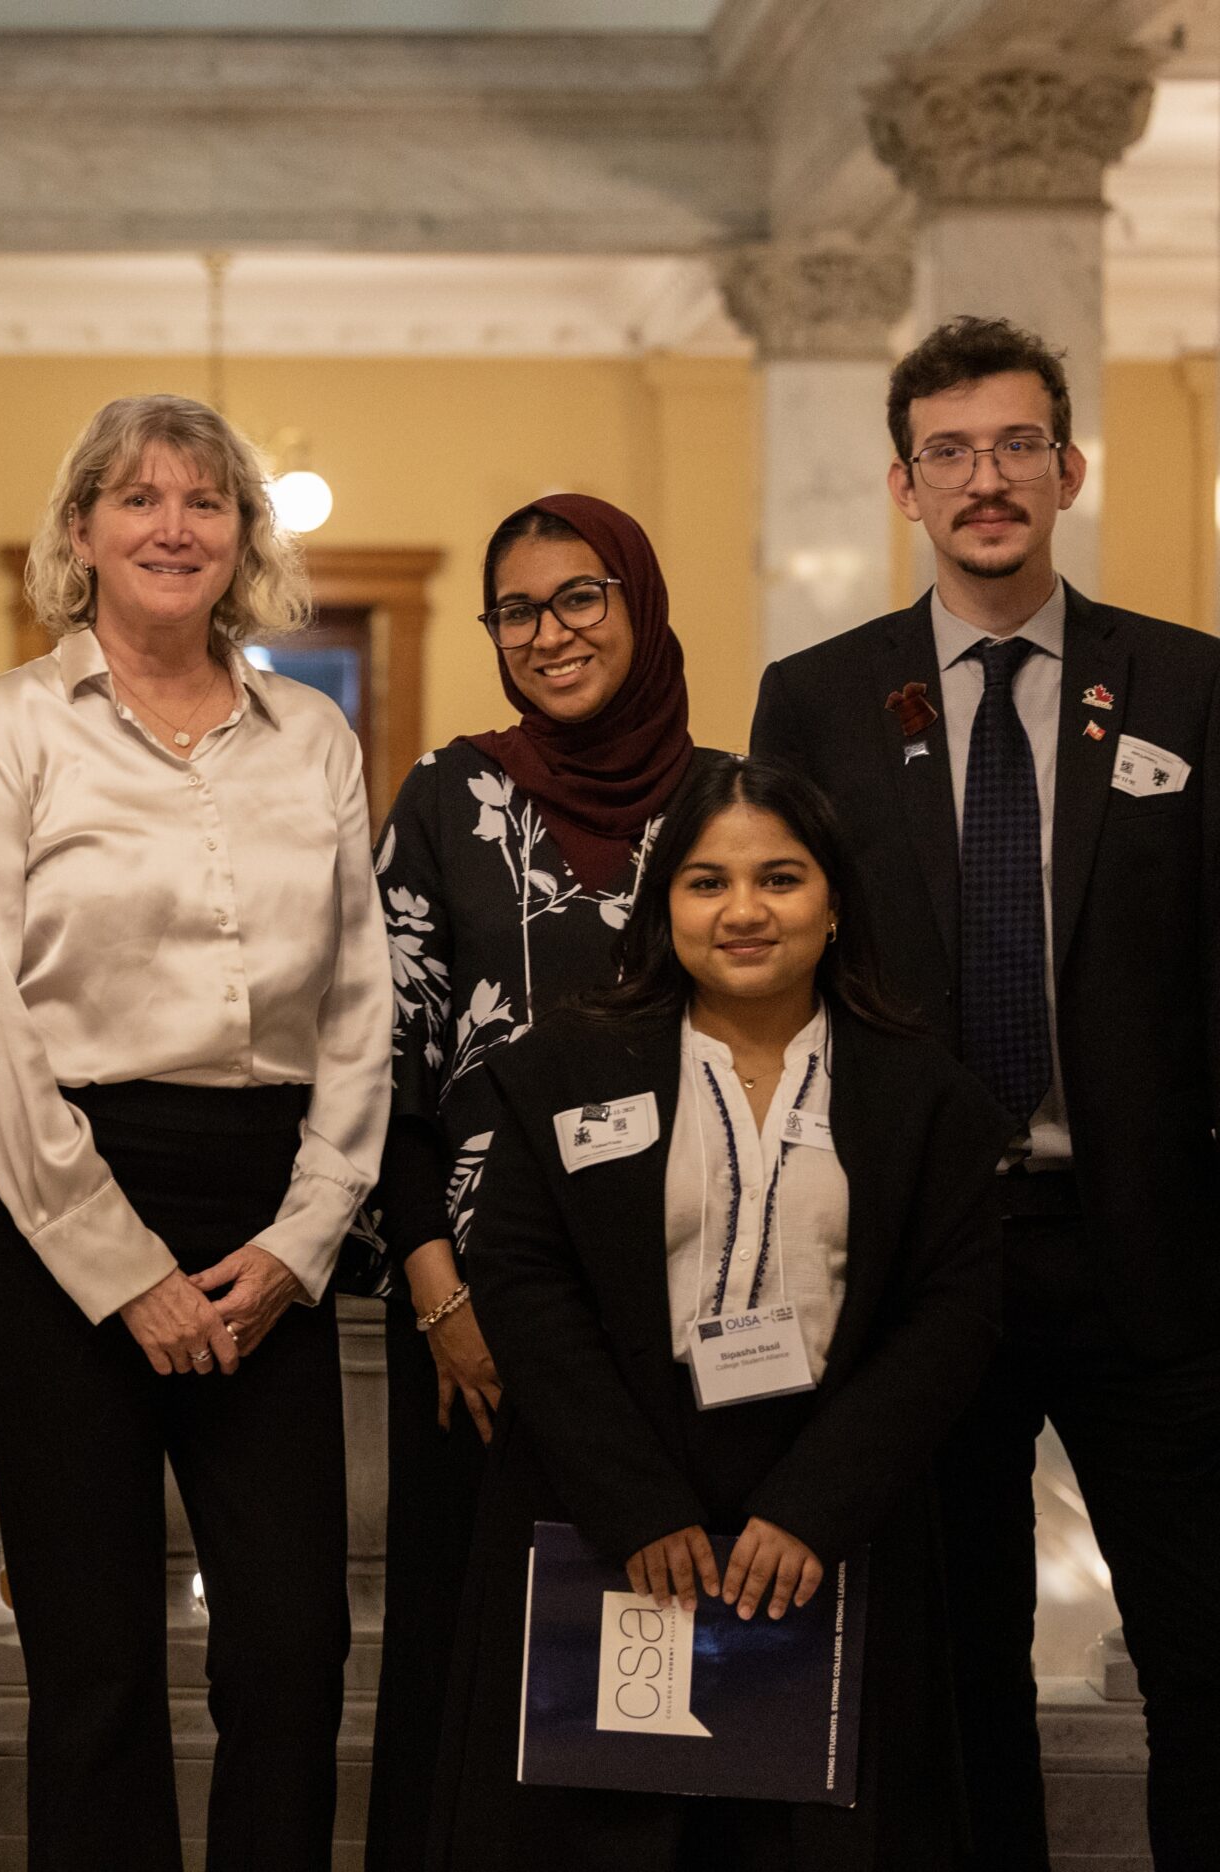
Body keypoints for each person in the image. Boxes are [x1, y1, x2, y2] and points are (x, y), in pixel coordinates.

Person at [750, 314, 1220, 1869]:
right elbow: (782, 976)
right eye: (948, 452)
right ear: (904, 486)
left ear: (1069, 469)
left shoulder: (1188, 687)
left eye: (1018, 444)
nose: (986, 478)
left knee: (1205, 1662)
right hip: (925, 1254)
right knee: (951, 1684)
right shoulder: (819, 701)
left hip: (1151, 1252)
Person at [0, 392, 390, 1870]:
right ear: (81, 532)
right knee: (95, 1657)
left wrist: (304, 1238)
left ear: (244, 536)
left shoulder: (313, 736)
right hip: (60, 1204)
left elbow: (360, 1008)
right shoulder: (5, 729)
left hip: (267, 1213)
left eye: (206, 500)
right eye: (138, 498)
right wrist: (119, 1266)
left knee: (293, 1641)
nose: (173, 526)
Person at [429, 756, 1006, 1870]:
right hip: (606, 1516)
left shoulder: (922, 1095)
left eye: (779, 879)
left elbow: (951, 1316)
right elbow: (524, 1285)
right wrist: (636, 1507)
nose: (743, 911)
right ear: (665, 908)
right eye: (707, 883)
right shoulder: (563, 1070)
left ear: (834, 901)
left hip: (828, 1522)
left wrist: (814, 1510)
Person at [365, 492, 721, 1870]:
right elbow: (383, 1060)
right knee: (468, 1652)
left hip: (683, 1318)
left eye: (581, 596)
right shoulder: (446, 796)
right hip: (480, 1322)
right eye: (516, 609)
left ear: (640, 602)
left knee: (661, 1657)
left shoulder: (729, 803)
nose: (549, 631)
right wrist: (437, 1292)